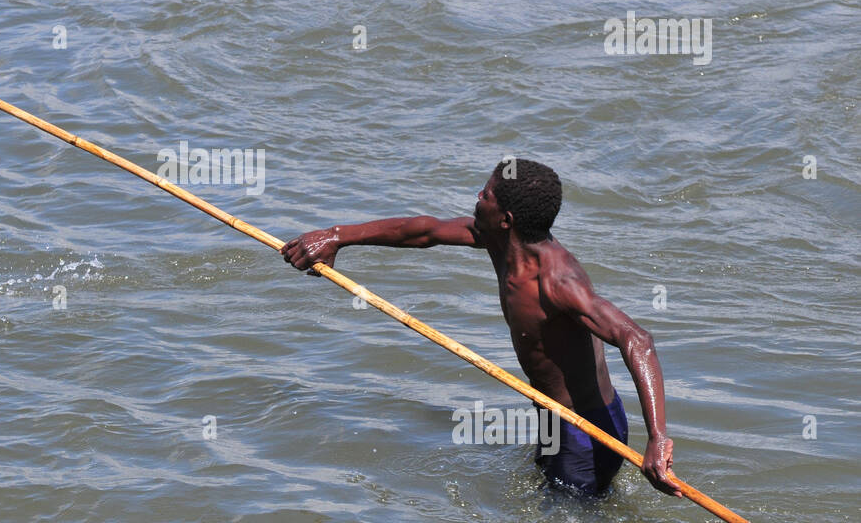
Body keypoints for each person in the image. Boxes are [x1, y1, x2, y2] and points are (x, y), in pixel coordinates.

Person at [281, 158, 683, 498]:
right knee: (549, 501)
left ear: (506, 219)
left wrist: (656, 438)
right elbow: (421, 231)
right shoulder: (497, 240)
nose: (477, 197)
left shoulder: (557, 281)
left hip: (587, 430)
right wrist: (335, 237)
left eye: (486, 195)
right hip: (550, 416)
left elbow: (637, 339)